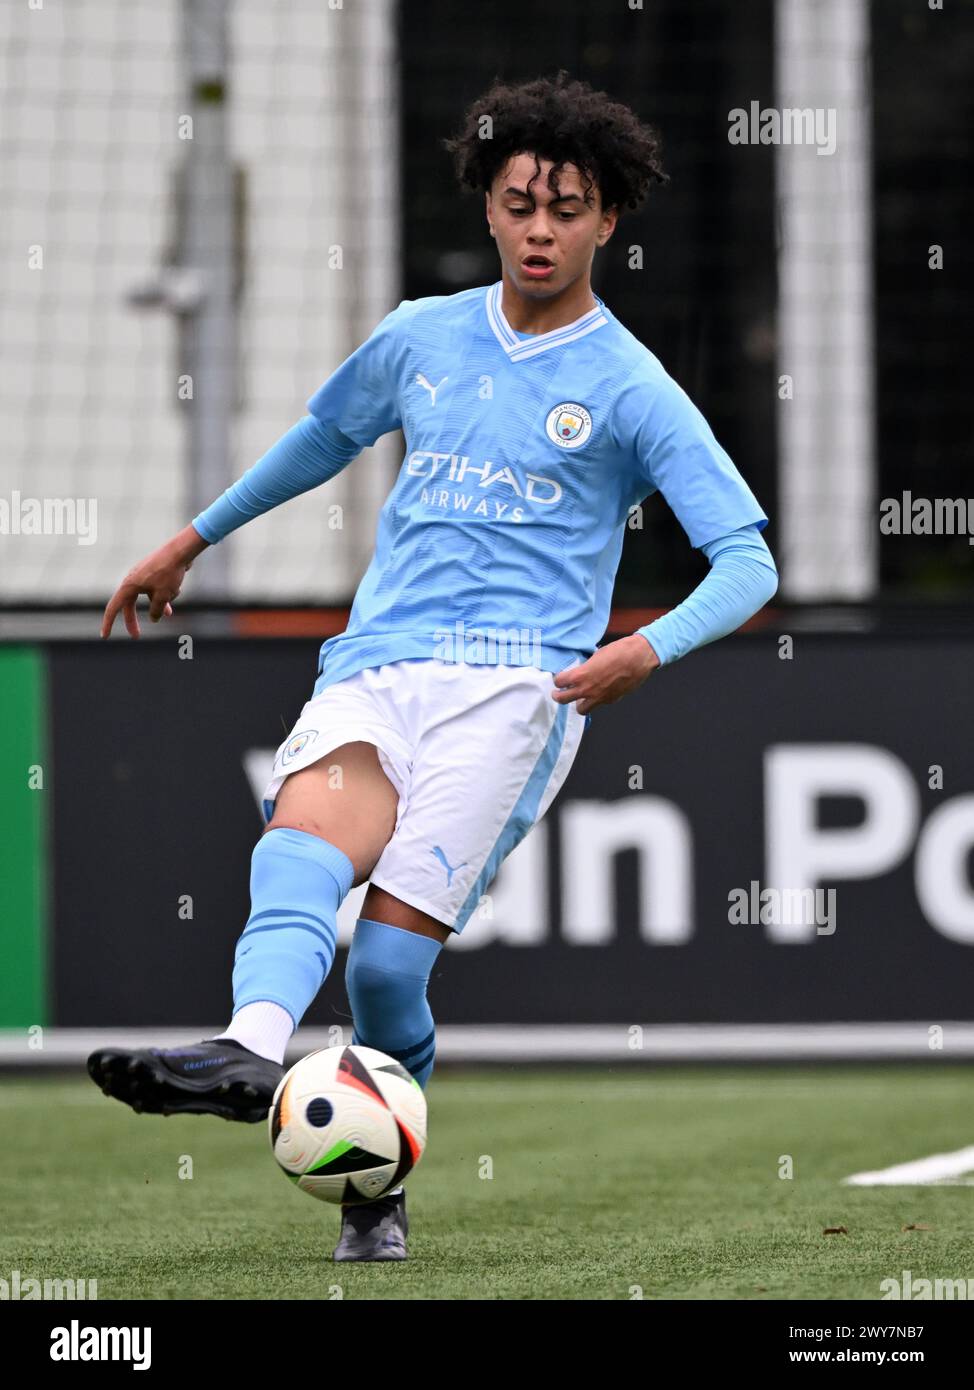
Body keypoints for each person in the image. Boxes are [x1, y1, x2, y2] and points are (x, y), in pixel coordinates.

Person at [88, 72, 778, 1262]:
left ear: (607, 220)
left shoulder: (627, 383)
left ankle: (374, 1189)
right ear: (490, 207)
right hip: (378, 659)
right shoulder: (421, 334)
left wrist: (640, 651)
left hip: (520, 689)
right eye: (519, 204)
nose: (539, 230)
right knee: (301, 850)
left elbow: (746, 560)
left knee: (392, 973)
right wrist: (190, 538)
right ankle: (252, 1045)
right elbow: (321, 437)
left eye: (567, 208)